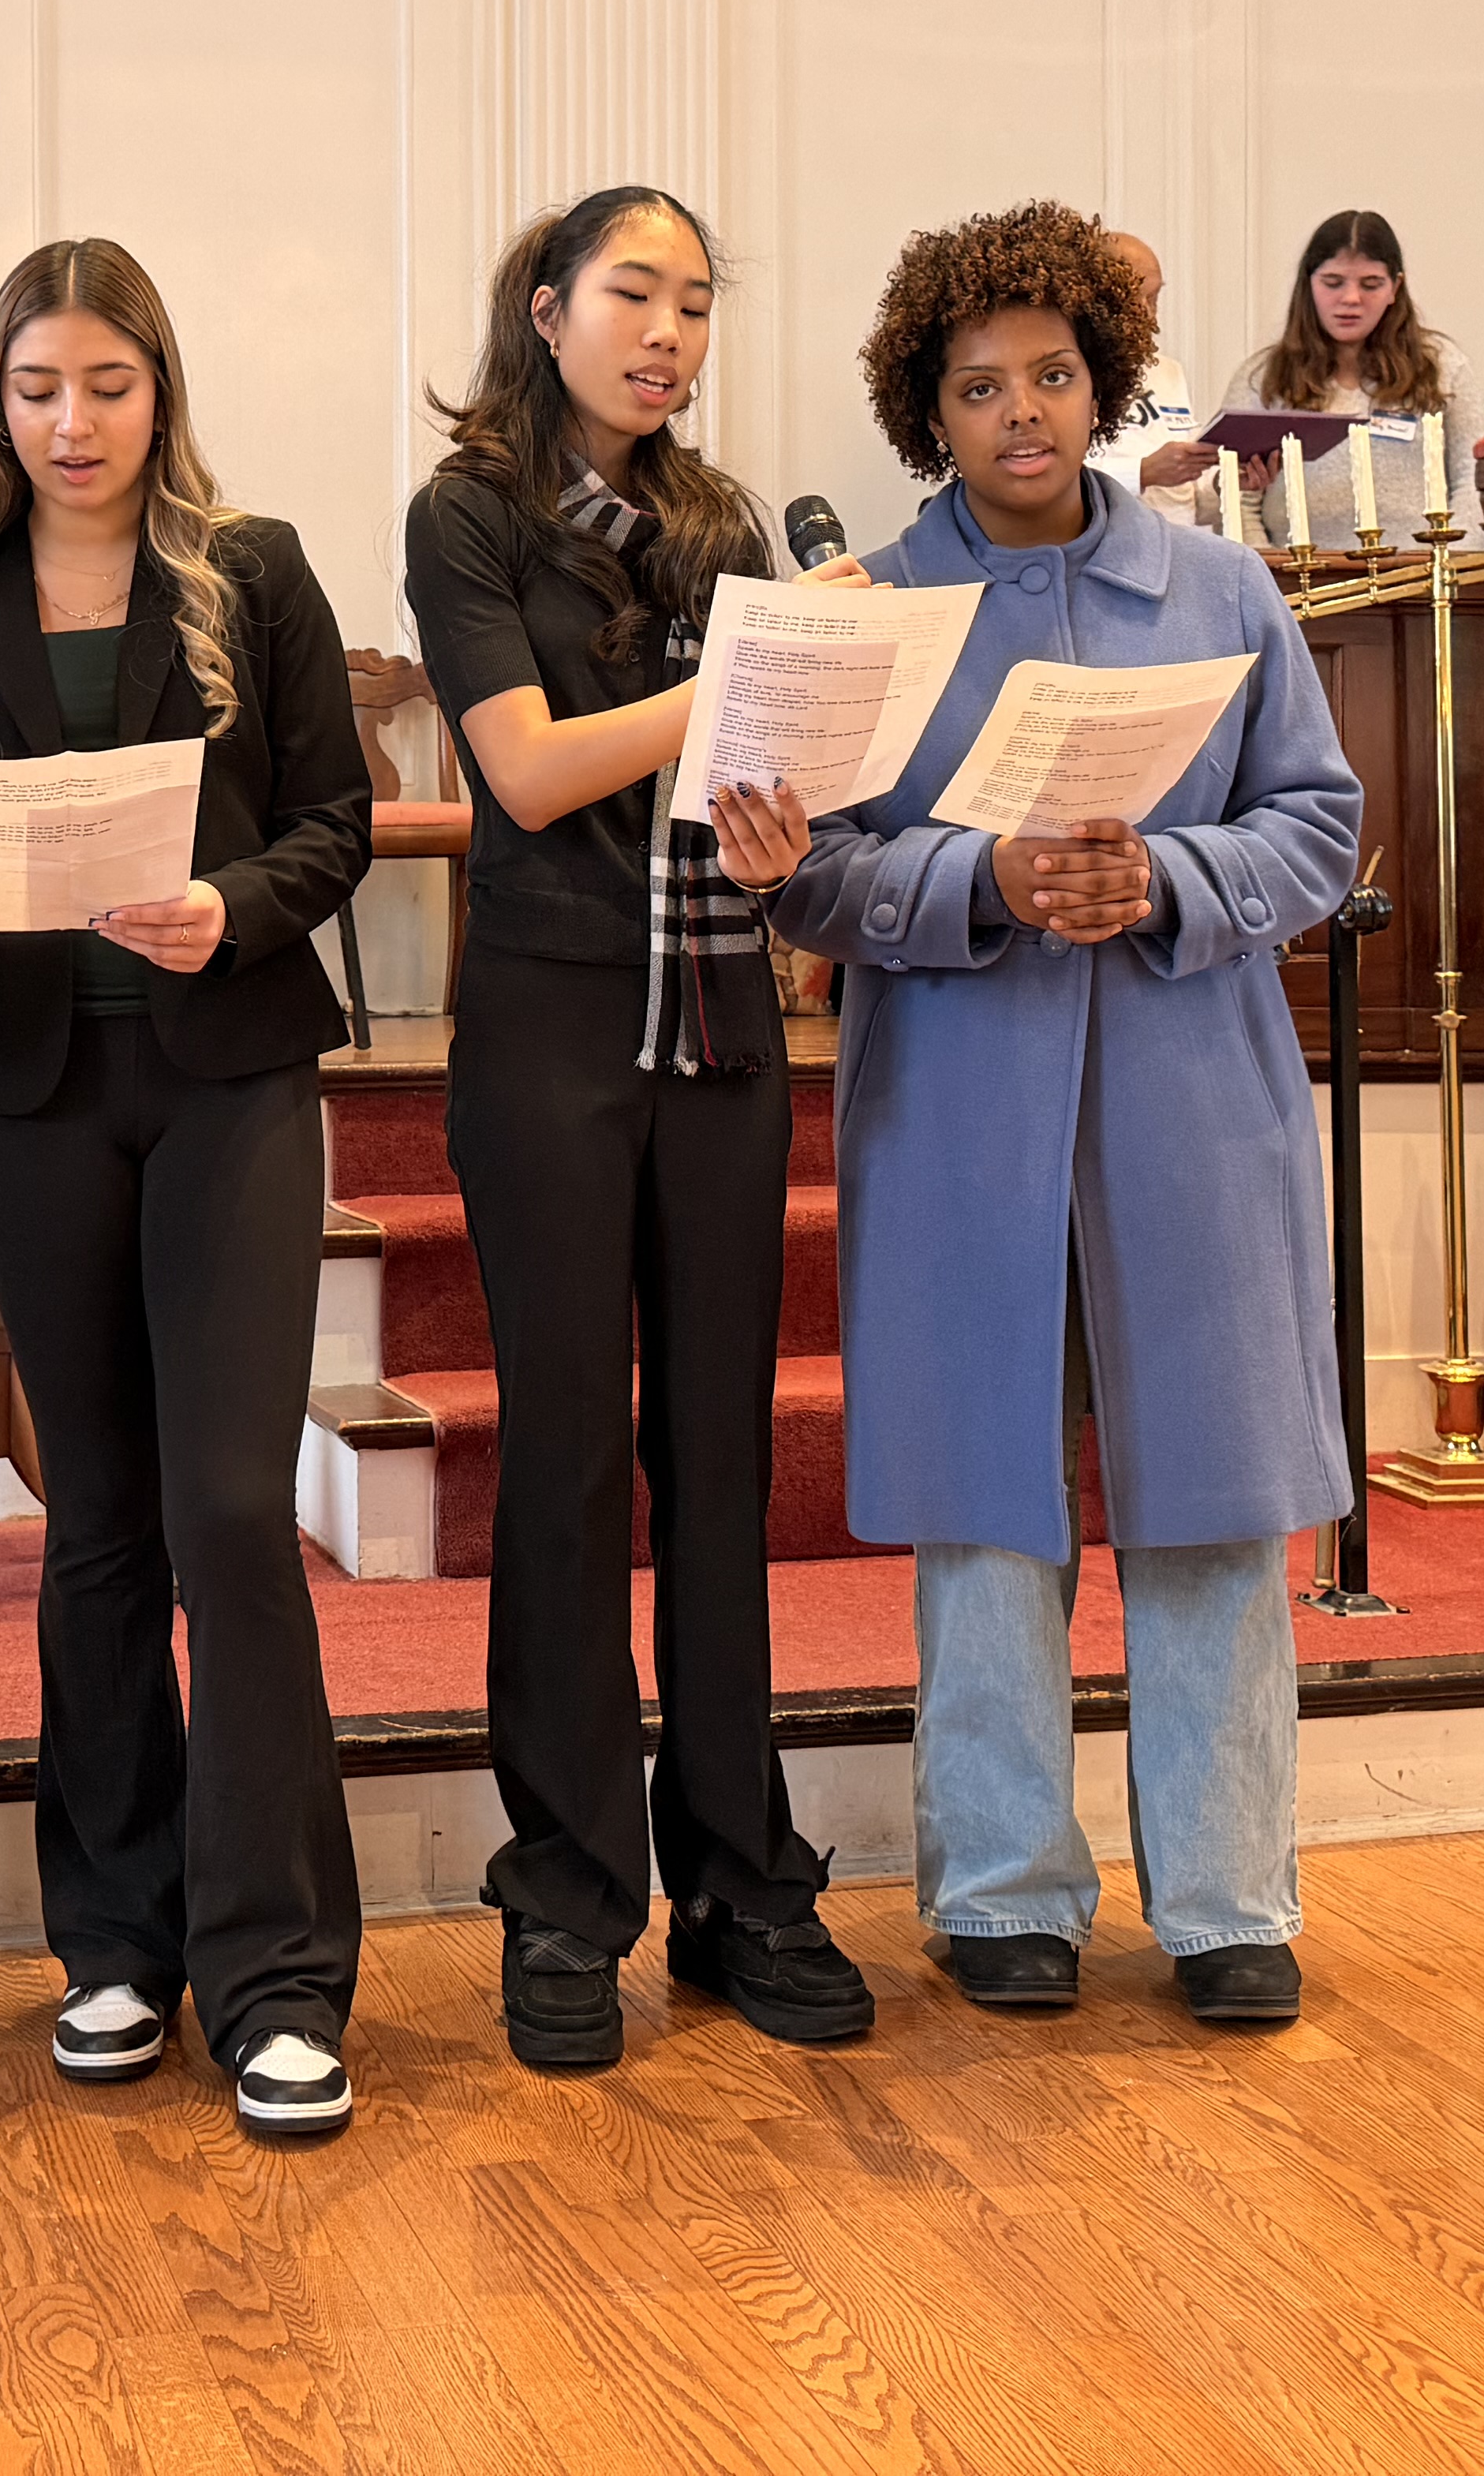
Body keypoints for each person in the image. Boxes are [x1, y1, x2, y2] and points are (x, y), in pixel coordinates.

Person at [727, 200, 1362, 2025]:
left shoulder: (1228, 593)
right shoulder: (875, 617)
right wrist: (985, 881)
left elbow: (1317, 824)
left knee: (1217, 1505)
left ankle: (1233, 1896)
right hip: (961, 1113)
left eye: (1054, 375)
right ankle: (1003, 1889)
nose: (1024, 411)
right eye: (981, 385)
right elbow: (821, 878)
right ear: (929, 410)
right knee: (989, 1512)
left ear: (1101, 384)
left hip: (1192, 1110)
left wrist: (1158, 881)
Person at [0, 239, 373, 2140]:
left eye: (106, 383)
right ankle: (114, 1943)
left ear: (160, 388)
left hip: (228, 1075)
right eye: (35, 390)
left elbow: (331, 821)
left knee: (233, 1514)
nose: (71, 424)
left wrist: (230, 910)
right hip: (33, 1088)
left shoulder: (254, 574)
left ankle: (277, 1975)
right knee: (93, 1524)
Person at [400, 185, 872, 2072]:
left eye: (693, 301)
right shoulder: (469, 513)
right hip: (551, 1022)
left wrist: (790, 809)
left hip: (723, 1011)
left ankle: (743, 1878)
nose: (666, 332)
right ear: (546, 306)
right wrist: (718, 698)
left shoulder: (721, 521)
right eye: (632, 295)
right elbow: (521, 768)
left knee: (723, 1462)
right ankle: (570, 1894)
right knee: (572, 1468)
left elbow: (763, 773)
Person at [1156, 208, 1482, 545]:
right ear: (1309, 282)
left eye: (1371, 284)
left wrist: (1452, 561)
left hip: (1419, 577)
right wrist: (1268, 571)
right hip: (1297, 578)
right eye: (1333, 283)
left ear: (1395, 288)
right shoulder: (1263, 377)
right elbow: (1237, 497)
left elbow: (1473, 480)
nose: (1351, 299)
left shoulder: (1441, 366)